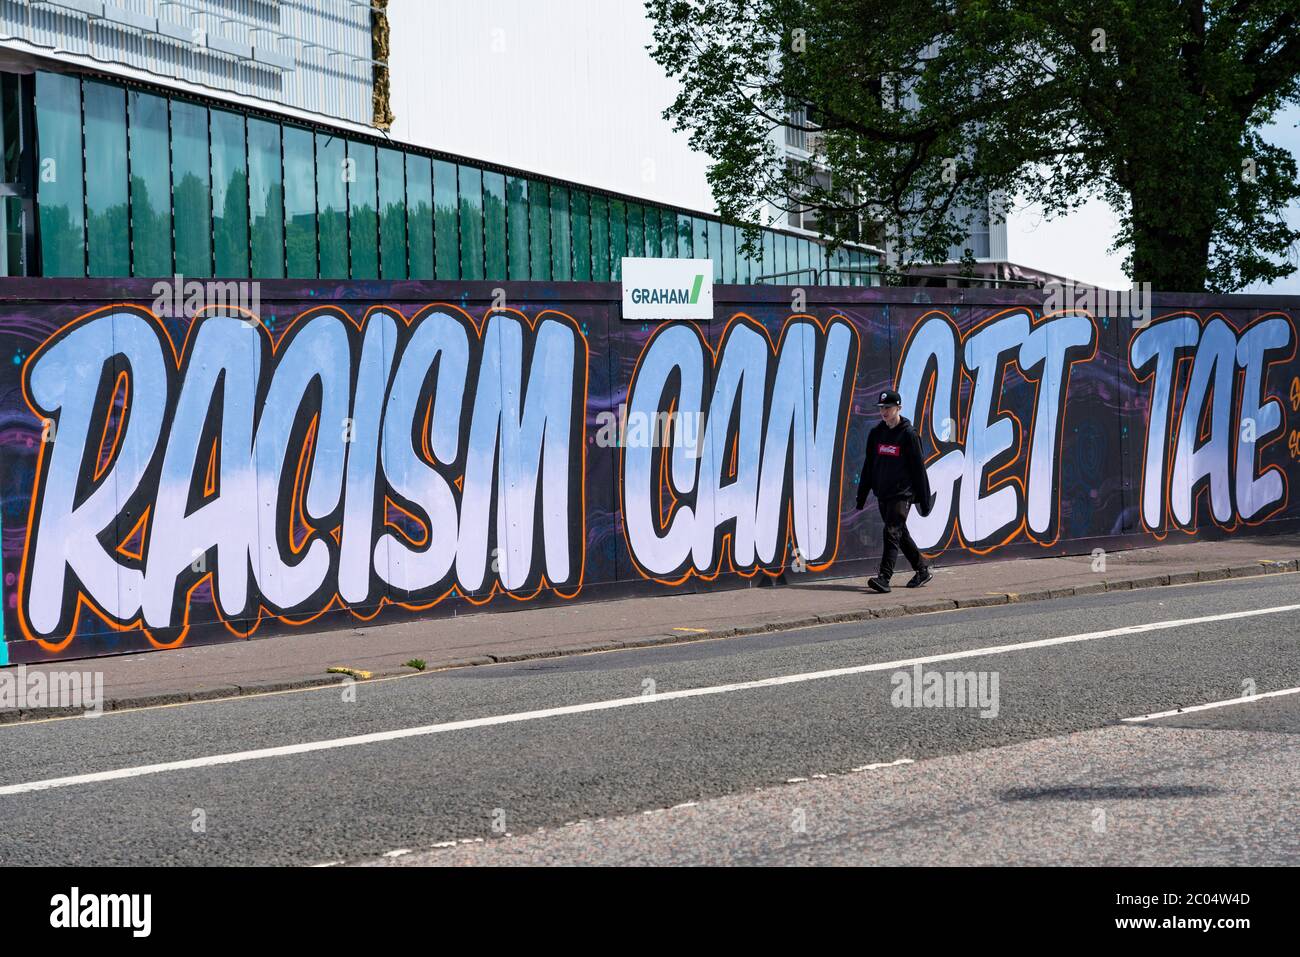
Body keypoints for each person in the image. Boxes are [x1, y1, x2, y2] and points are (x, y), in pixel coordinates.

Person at [855, 389, 934, 593]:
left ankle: (884, 578)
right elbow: (869, 466)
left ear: (898, 407)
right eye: (881, 408)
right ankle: (922, 569)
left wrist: (925, 500)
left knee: (891, 532)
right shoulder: (876, 434)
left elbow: (919, 470)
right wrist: (862, 494)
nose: (884, 412)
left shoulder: (909, 434)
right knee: (899, 533)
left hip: (902, 494)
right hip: (883, 493)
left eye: (888, 408)